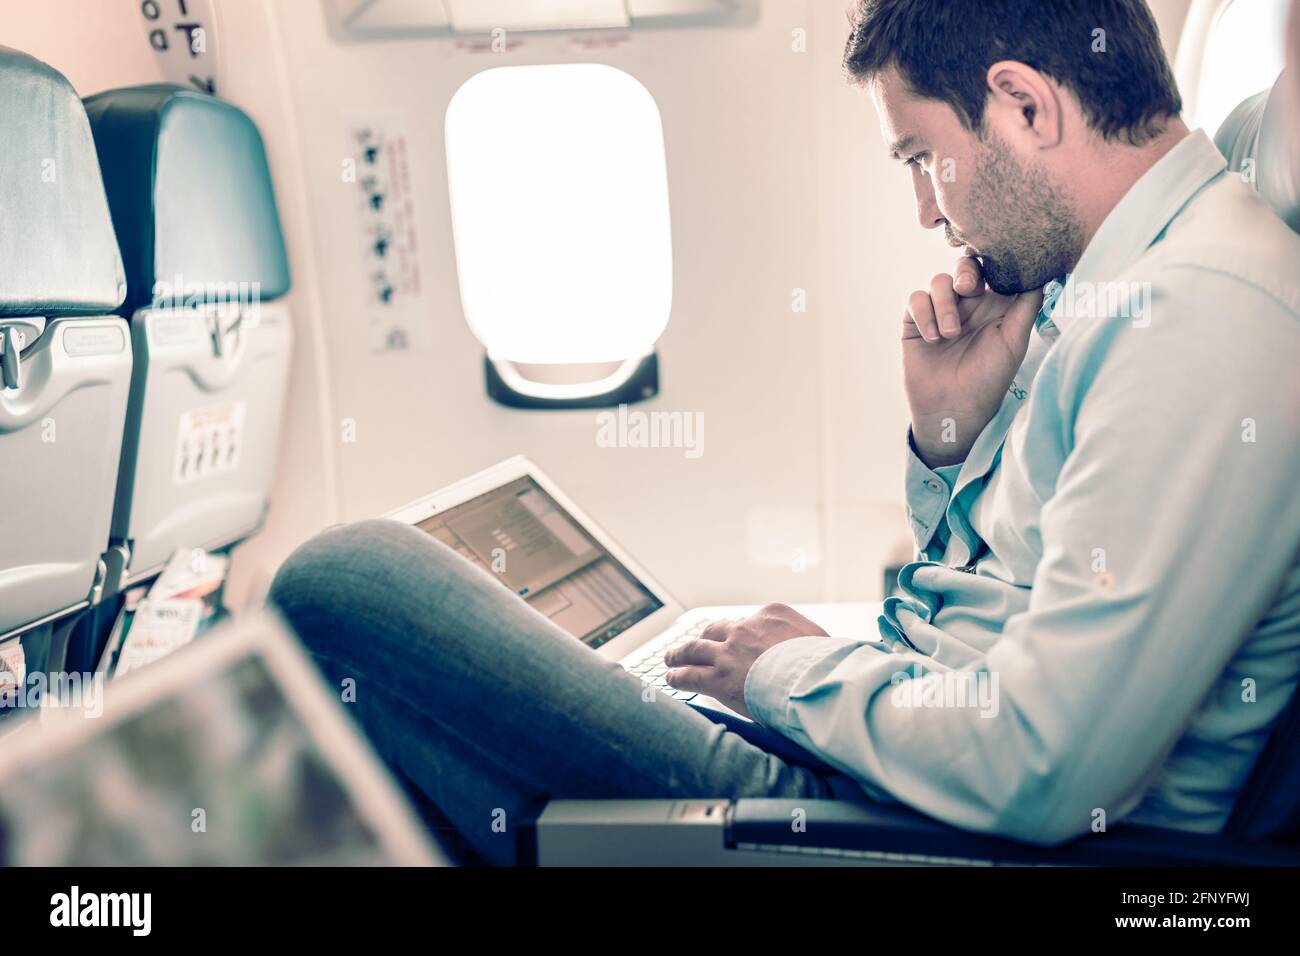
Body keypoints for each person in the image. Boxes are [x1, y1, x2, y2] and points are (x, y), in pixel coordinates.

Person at [271, 0, 1300, 865]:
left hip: (950, 839)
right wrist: (950, 442)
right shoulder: (1111, 280)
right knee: (422, 745)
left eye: (920, 157)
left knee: (345, 585)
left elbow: (1043, 763)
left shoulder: (1199, 314)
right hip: (901, 774)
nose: (924, 213)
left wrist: (785, 674)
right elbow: (994, 600)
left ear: (1025, 103)